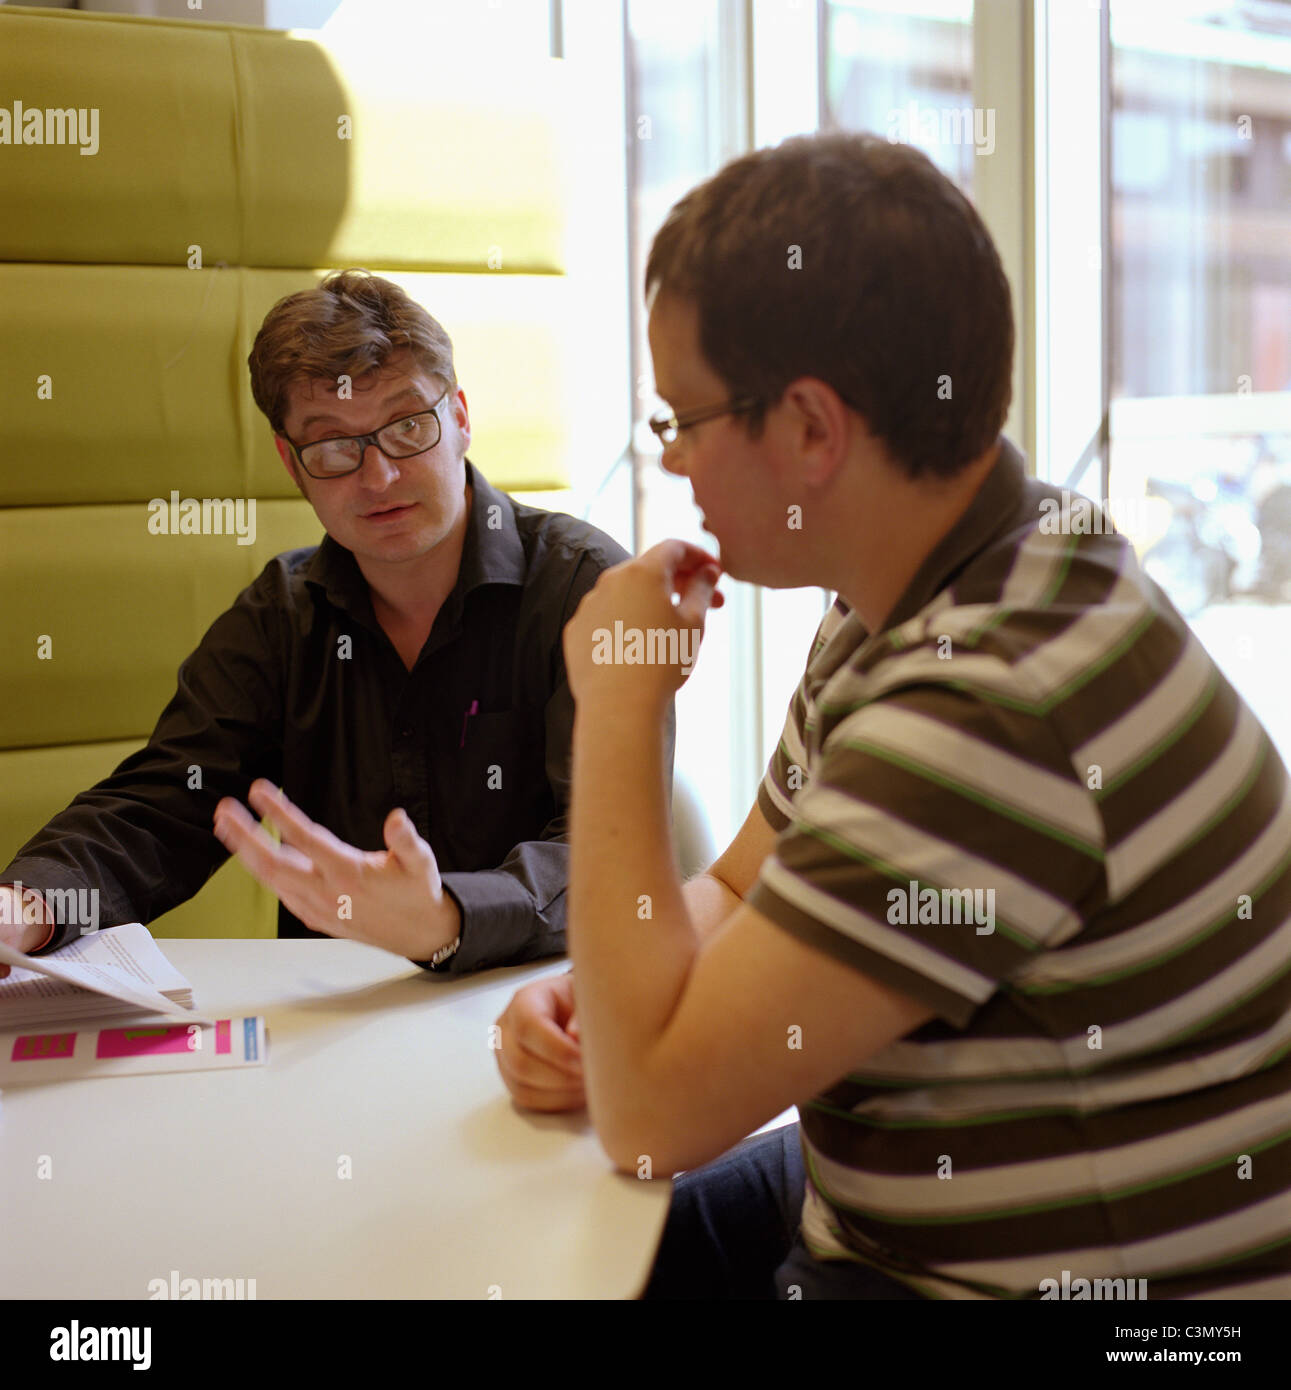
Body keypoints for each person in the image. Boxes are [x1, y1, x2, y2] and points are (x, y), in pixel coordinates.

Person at [493, 132, 1291, 1300]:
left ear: (813, 430)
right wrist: (600, 1006)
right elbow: (739, 890)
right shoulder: (944, 569)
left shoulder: (986, 703)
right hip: (896, 1194)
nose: (674, 468)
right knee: (542, 1247)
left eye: (683, 419)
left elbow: (652, 1116)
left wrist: (616, 702)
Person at [1, 270, 637, 980]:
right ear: (290, 463)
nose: (379, 479)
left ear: (459, 416)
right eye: (333, 446)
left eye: (406, 426)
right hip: (337, 1016)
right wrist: (28, 905)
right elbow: (163, 806)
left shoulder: (586, 588)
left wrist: (451, 916)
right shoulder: (281, 616)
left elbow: (609, 845)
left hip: (542, 999)